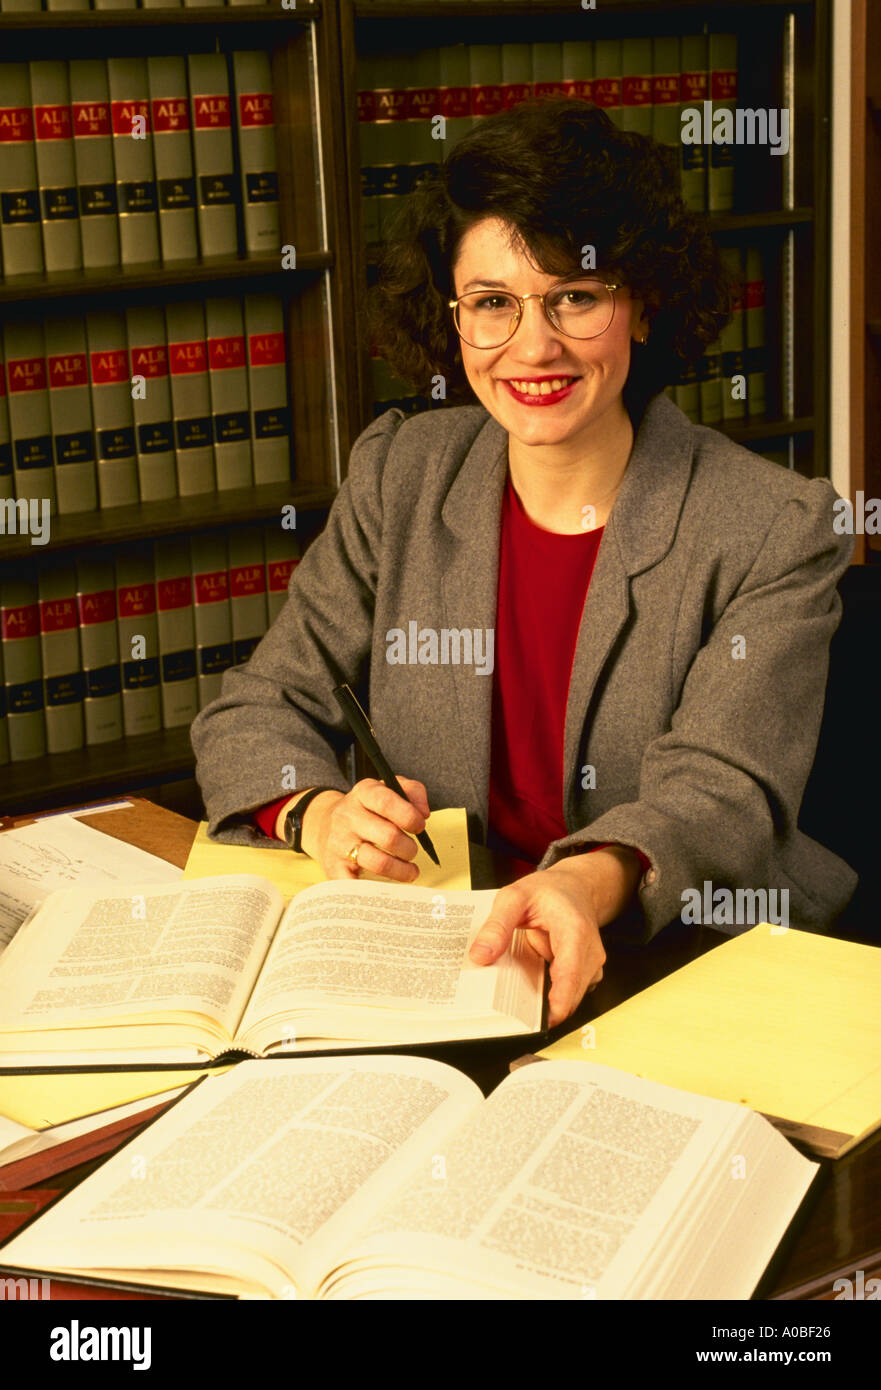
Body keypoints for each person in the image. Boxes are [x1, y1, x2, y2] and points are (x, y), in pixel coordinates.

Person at [191, 99, 856, 1028]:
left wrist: (589, 883)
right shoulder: (404, 473)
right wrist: (317, 812)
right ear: (450, 315)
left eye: (574, 297)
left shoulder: (769, 524)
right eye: (493, 303)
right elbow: (262, 703)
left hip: (676, 961)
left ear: (641, 302)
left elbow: (723, 791)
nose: (533, 346)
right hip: (447, 953)